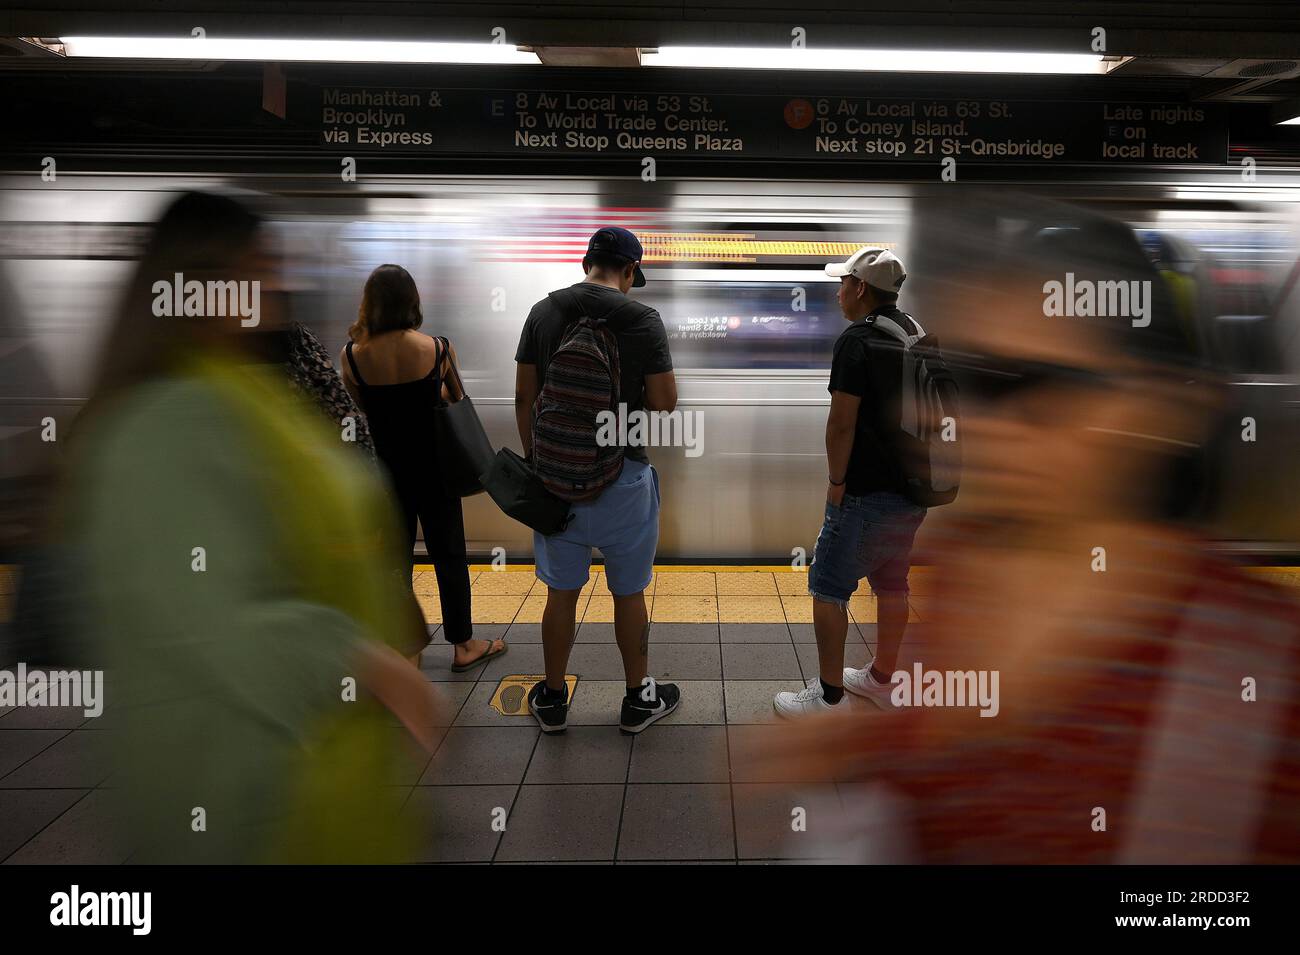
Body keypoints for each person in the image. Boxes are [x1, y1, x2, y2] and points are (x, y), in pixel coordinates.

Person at [69, 192, 443, 862]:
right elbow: (209, 616)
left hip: (313, 770)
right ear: (197, 284)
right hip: (243, 800)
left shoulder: (253, 385)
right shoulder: (163, 426)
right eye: (259, 264)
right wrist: (370, 664)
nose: (278, 281)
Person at [514, 227, 679, 734]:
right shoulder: (642, 318)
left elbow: (524, 398)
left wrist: (539, 464)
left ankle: (554, 697)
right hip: (623, 476)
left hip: (556, 480)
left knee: (560, 593)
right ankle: (636, 702)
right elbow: (666, 403)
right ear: (629, 270)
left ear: (587, 261)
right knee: (628, 594)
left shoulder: (543, 312)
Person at [775, 247, 927, 718]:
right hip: (913, 490)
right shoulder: (915, 333)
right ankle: (882, 679)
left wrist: (836, 483)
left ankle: (828, 695)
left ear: (861, 288)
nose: (838, 292)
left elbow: (841, 424)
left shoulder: (856, 341)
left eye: (842, 283)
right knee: (893, 583)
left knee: (828, 586)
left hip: (864, 493)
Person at [340, 265, 505, 672]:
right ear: (412, 302)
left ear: (370, 303)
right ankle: (463, 645)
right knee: (449, 554)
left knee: (395, 559)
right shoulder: (437, 348)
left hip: (388, 472)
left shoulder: (352, 357)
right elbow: (455, 400)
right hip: (436, 471)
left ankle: (404, 647)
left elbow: (362, 408)